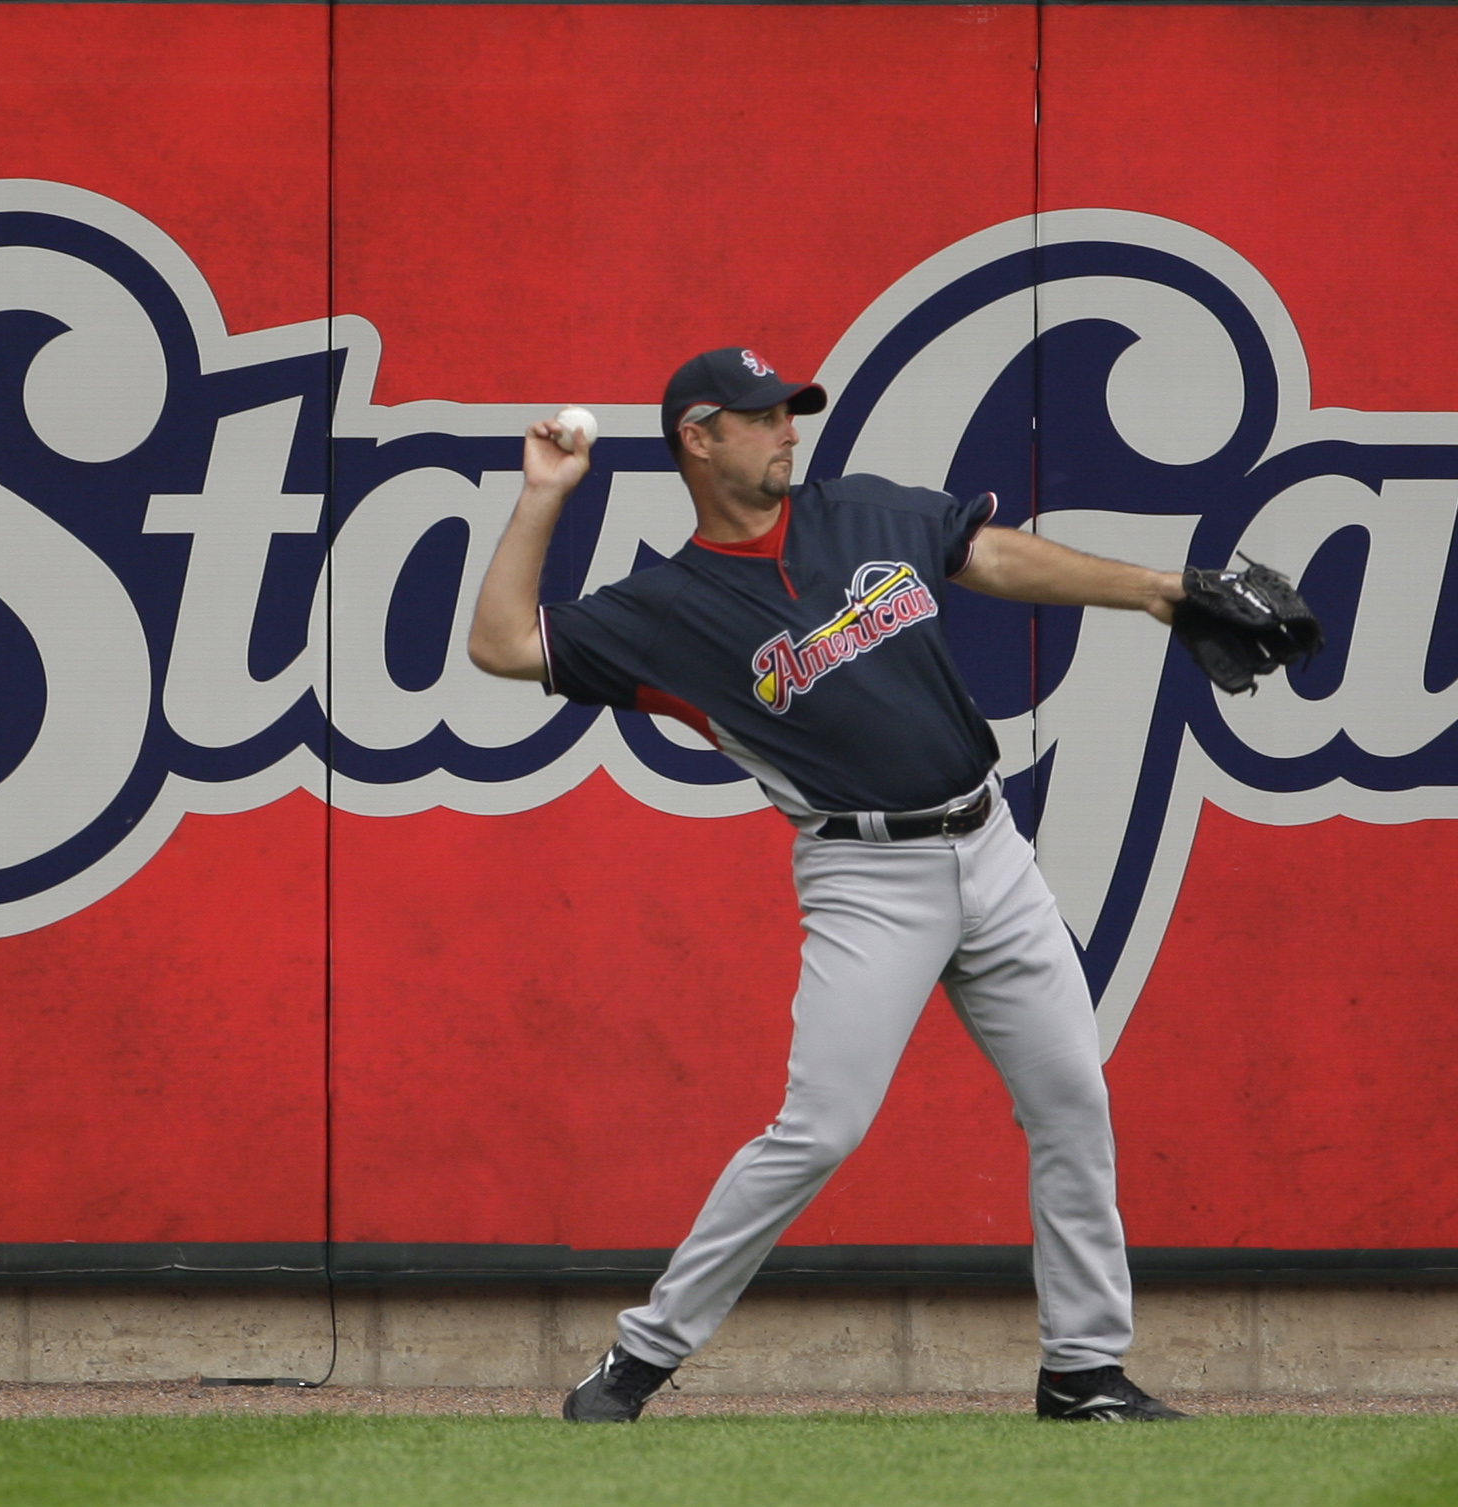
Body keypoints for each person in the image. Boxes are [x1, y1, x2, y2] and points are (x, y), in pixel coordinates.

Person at [465, 347, 1191, 1424]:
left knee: (1073, 1101)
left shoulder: (863, 514)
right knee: (822, 1127)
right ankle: (636, 1362)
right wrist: (542, 498)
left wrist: (1157, 591)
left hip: (993, 845)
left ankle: (1082, 1371)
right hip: (866, 872)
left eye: (789, 413)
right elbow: (503, 644)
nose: (787, 432)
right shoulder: (669, 606)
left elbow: (989, 555)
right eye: (760, 418)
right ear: (697, 438)